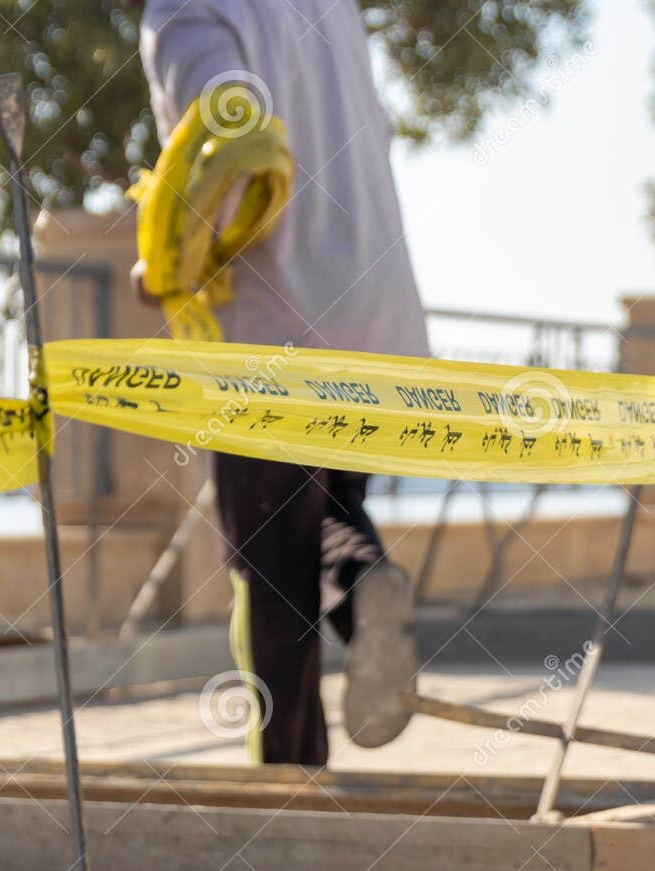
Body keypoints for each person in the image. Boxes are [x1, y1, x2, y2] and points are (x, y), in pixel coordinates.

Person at [138, 0, 427, 766]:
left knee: (271, 583)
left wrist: (163, 265)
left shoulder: (186, 12)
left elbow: (228, 152)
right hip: (368, 321)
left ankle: (286, 810)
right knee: (332, 516)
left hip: (274, 335)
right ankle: (366, 591)